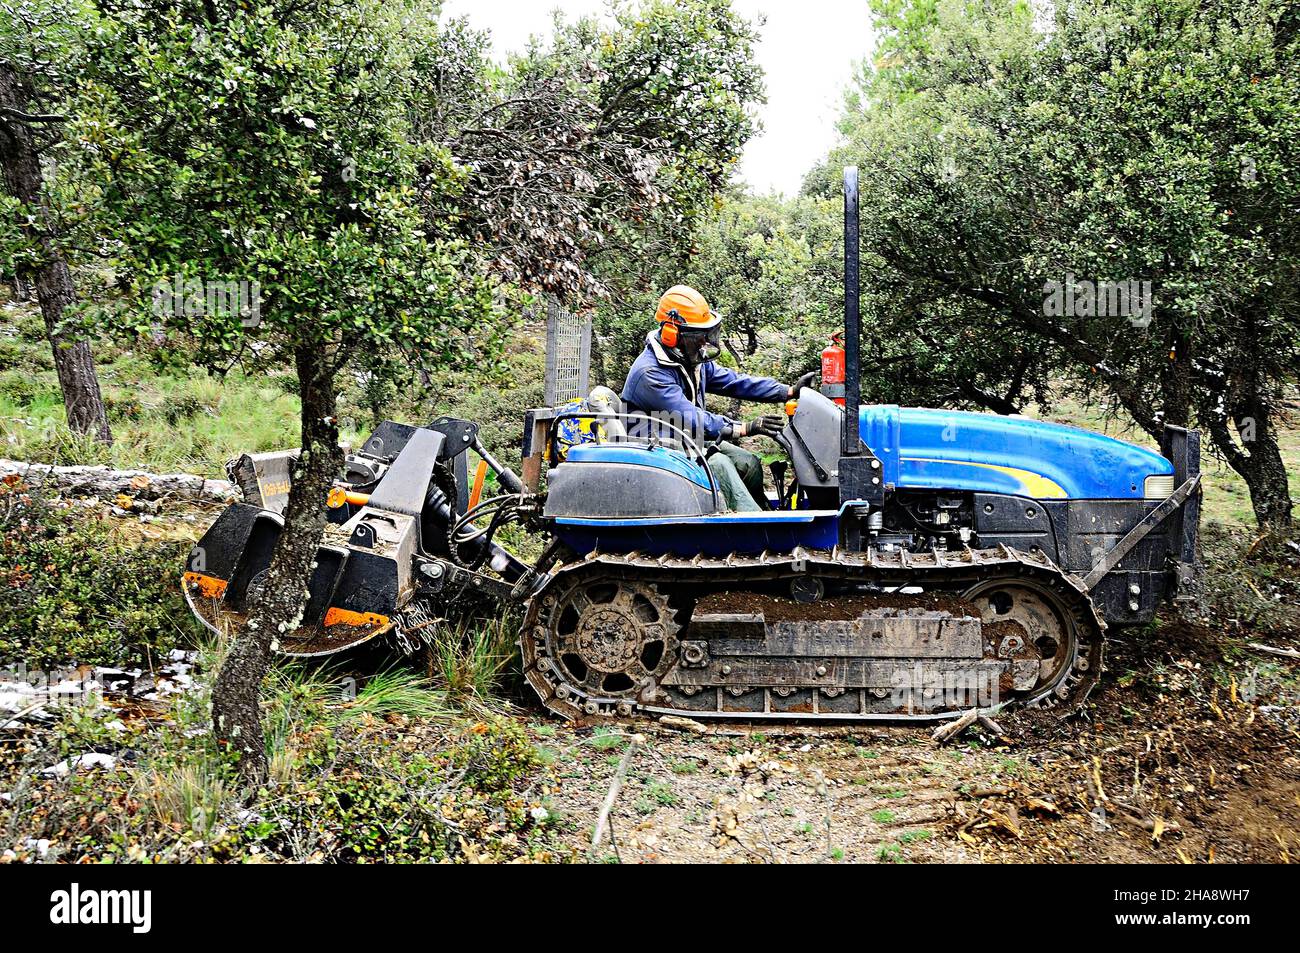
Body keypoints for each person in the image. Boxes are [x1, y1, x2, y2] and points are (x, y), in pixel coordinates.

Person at [620, 285, 816, 511]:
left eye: (706, 335)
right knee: (720, 465)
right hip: (657, 448)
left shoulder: (689, 359)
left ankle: (764, 513)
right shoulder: (650, 373)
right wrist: (744, 428)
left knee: (748, 463)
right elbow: (691, 418)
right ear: (671, 335)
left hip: (686, 440)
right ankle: (753, 525)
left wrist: (787, 391)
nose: (703, 342)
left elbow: (734, 381)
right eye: (697, 336)